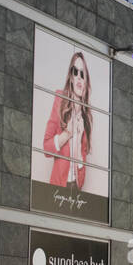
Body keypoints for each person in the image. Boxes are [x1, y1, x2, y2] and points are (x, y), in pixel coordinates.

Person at [42, 52, 93, 191]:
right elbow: (46, 148)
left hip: (76, 187)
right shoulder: (60, 100)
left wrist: (79, 158)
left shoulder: (86, 116)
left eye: (82, 75)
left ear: (86, 81)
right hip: (58, 185)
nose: (79, 78)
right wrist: (67, 133)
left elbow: (82, 169)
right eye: (75, 72)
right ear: (70, 77)